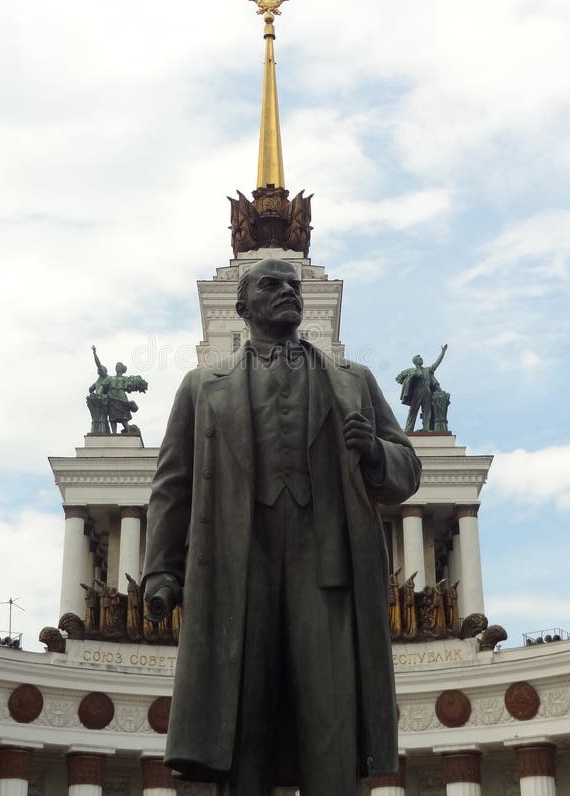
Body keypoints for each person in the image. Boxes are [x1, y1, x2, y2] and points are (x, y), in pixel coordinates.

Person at [142, 258, 421, 796]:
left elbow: (406, 472)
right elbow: (171, 487)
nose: (287, 292)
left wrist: (375, 453)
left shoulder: (353, 380)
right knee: (243, 716)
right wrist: (161, 572)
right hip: (239, 569)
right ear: (243, 307)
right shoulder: (202, 386)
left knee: (331, 717)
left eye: (294, 286)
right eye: (271, 285)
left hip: (328, 571)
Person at [396, 344, 448, 433]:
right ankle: (409, 429)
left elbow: (436, 364)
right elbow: (398, 378)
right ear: (415, 361)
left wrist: (443, 352)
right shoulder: (410, 371)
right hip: (416, 392)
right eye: (420, 359)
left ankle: (426, 428)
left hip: (427, 392)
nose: (422, 359)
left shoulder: (427, 370)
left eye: (421, 358)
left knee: (427, 411)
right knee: (413, 411)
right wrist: (411, 377)